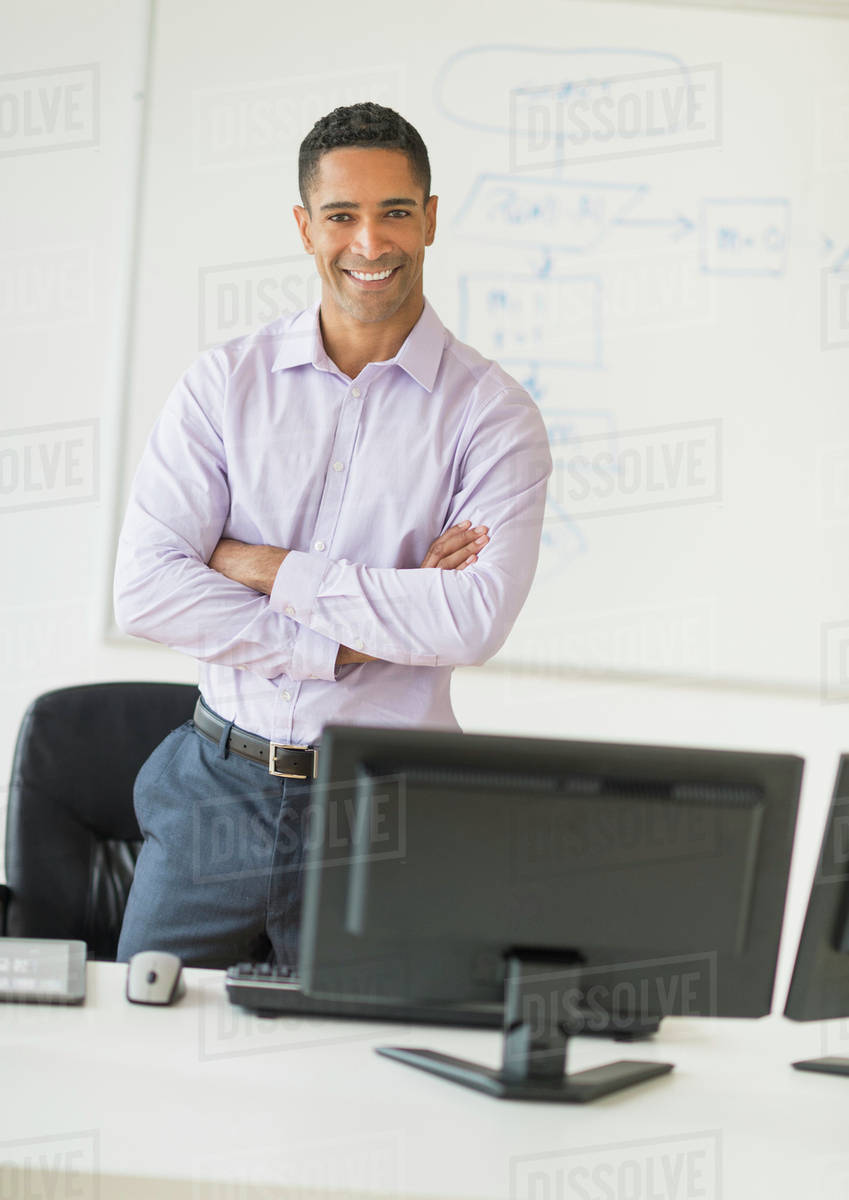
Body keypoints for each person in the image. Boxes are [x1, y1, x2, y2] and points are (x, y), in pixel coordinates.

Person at [114, 102, 553, 968]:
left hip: (387, 812)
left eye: (394, 211)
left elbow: (467, 622)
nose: (369, 242)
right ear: (304, 226)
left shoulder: (493, 416)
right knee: (139, 1044)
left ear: (430, 218)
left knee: (369, 1081)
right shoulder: (224, 385)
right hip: (214, 787)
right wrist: (353, 643)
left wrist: (259, 564)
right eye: (342, 215)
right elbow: (147, 589)